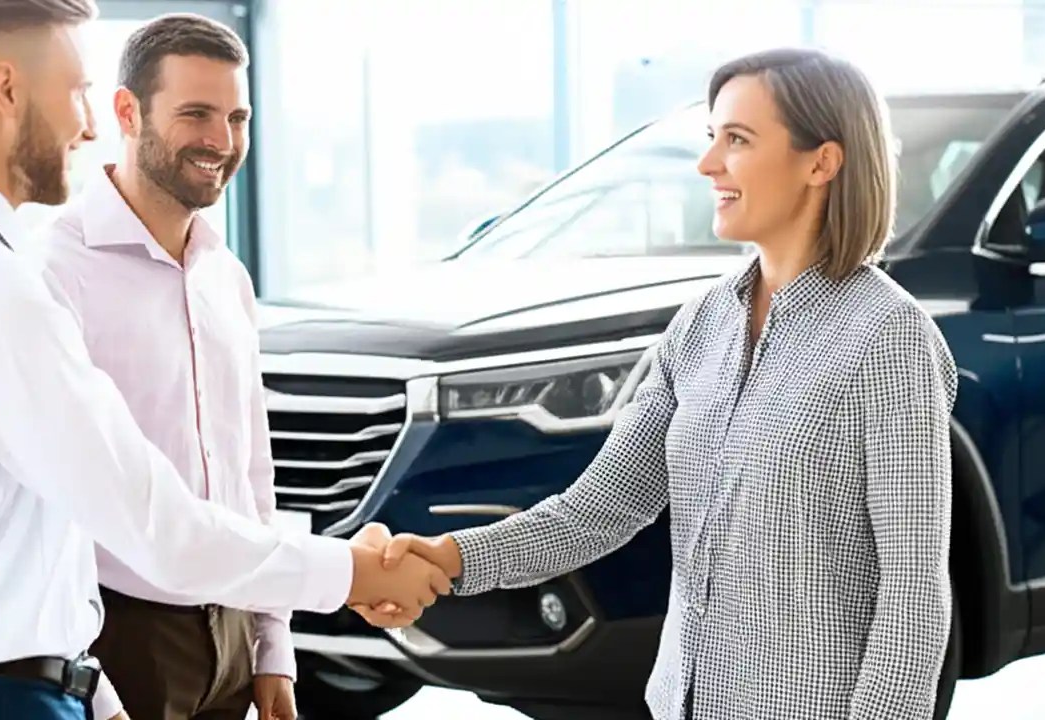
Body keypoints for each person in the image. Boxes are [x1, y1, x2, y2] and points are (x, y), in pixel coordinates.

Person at [0, 3, 447, 720]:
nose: (87, 126)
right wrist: (352, 571)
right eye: (77, 90)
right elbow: (153, 524)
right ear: (7, 89)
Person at [367, 48, 957, 720]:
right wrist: (446, 559)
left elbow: (914, 593)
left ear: (821, 162)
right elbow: (595, 513)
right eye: (712, 139)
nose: (708, 166)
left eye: (736, 140)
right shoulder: (700, 324)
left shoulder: (889, 339)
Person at [30, 14, 299, 720]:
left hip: (234, 633)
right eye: (197, 114)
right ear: (127, 111)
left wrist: (273, 647)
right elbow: (43, 502)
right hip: (123, 640)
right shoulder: (54, 270)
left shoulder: (226, 276)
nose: (223, 140)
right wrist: (95, 681)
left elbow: (252, 477)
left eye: (236, 116)